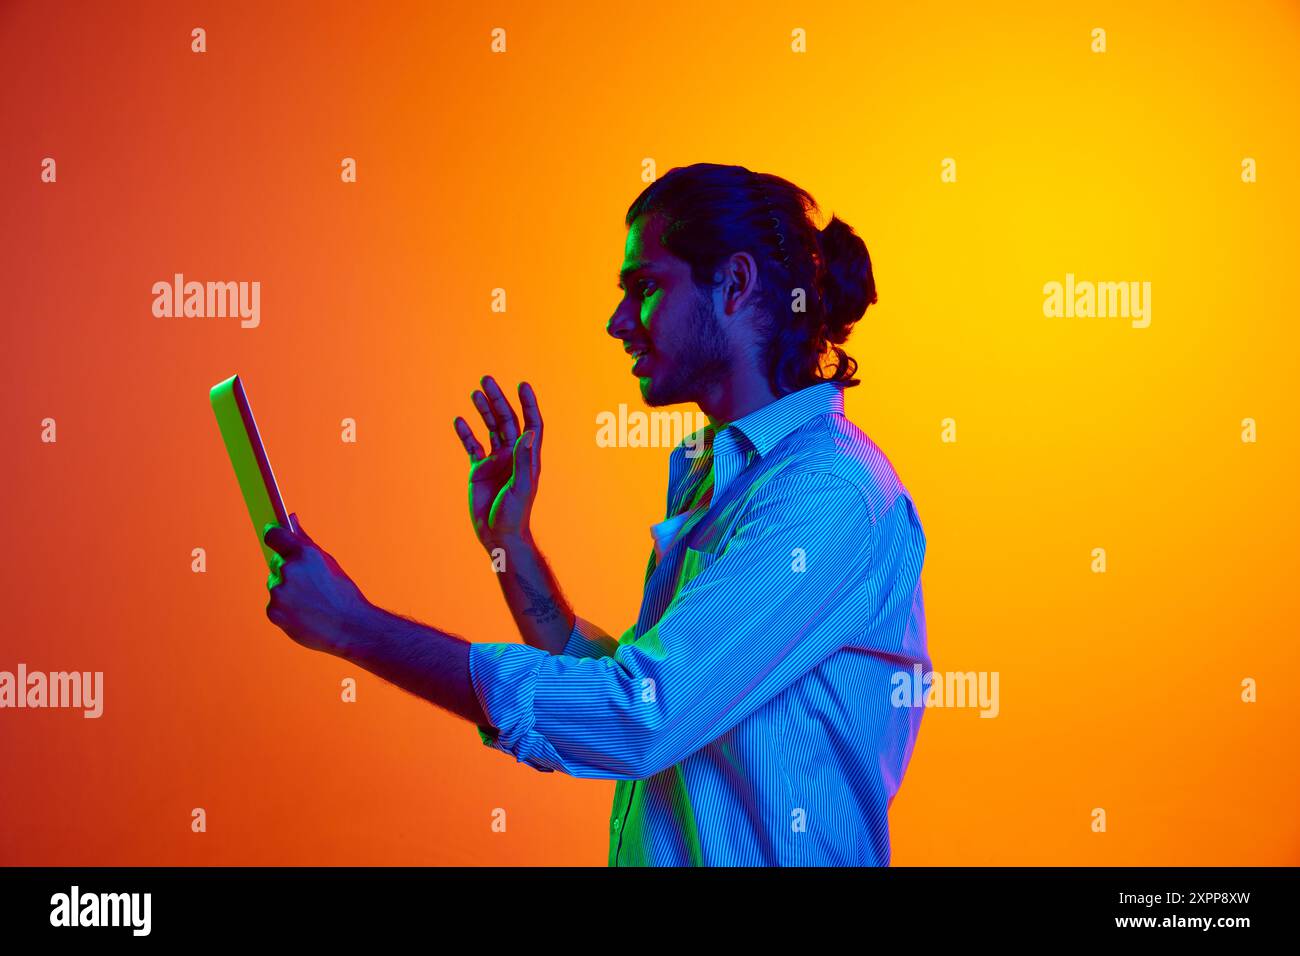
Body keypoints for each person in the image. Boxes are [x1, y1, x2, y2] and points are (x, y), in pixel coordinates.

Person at [263, 162, 931, 866]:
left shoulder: (828, 495)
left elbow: (635, 717)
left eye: (643, 288)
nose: (617, 323)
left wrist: (355, 628)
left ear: (734, 286)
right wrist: (511, 546)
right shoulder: (728, 473)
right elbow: (650, 700)